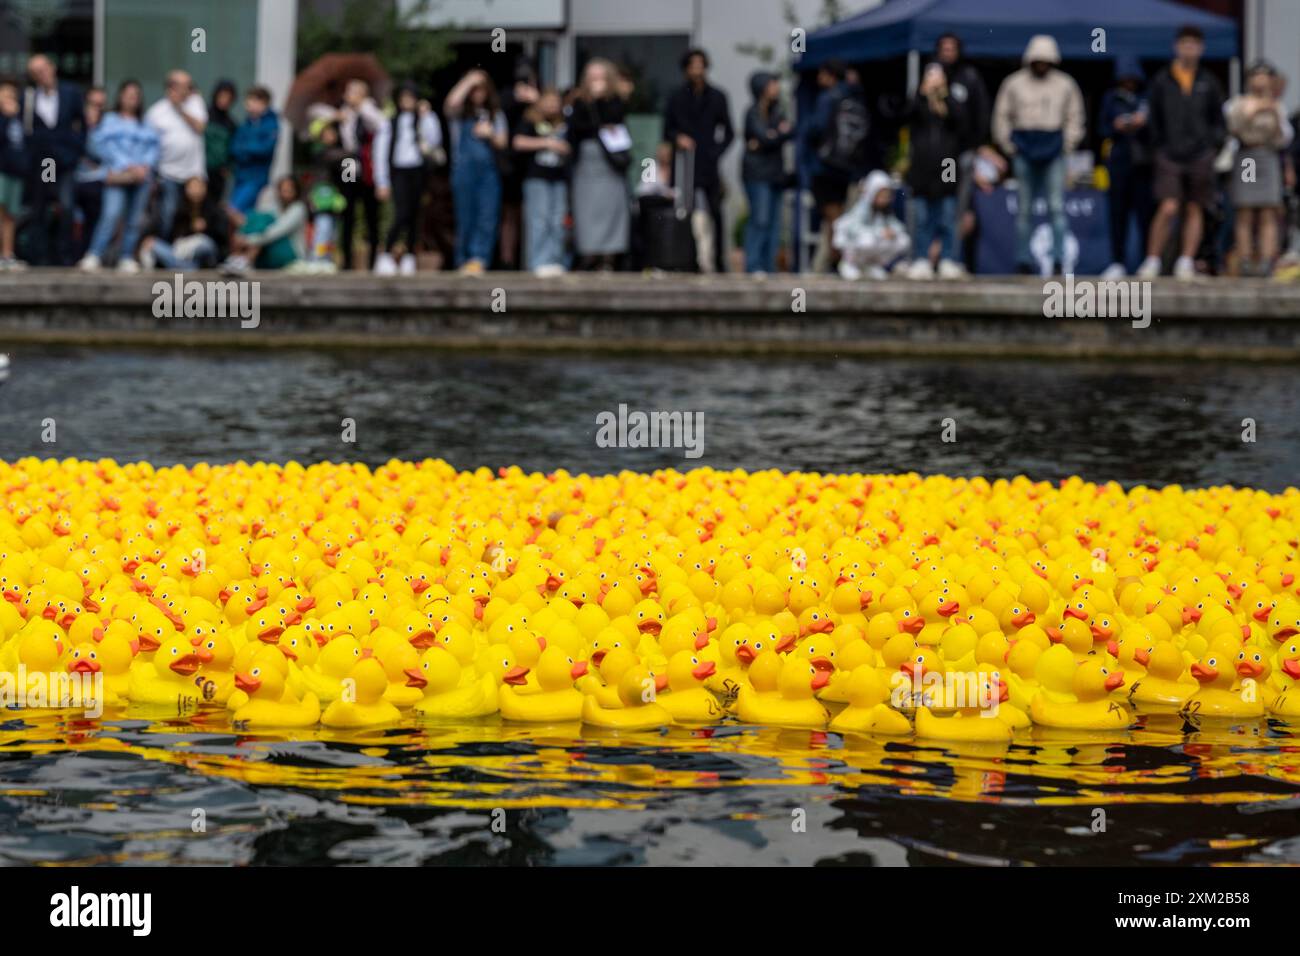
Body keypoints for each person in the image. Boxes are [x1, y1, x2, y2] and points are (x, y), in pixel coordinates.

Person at [1138, 25, 1227, 280]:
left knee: (1195, 207)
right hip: (1169, 153)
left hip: (1200, 154)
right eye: (1185, 44)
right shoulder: (1162, 80)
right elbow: (1152, 117)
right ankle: (1152, 260)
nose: (1189, 49)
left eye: (1194, 44)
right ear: (1176, 47)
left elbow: (1218, 120)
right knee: (1168, 206)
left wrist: (1212, 147)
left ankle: (1186, 260)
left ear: (1201, 48)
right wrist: (1158, 146)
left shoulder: (1208, 82)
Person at [992, 34, 1085, 276]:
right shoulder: (1014, 83)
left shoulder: (1065, 84)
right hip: (1024, 145)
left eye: (1046, 61)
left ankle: (1057, 260)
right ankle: (1023, 260)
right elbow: (1001, 116)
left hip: (1053, 146)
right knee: (1024, 208)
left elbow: (1075, 116)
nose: (1042, 64)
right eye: (1038, 60)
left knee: (1056, 206)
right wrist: (1009, 145)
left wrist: (1067, 145)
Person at [660, 49, 734, 273]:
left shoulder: (717, 96)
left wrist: (714, 152)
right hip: (684, 164)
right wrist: (677, 139)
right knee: (683, 210)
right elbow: (667, 130)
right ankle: (685, 258)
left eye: (700, 65)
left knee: (714, 213)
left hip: (707, 165)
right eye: (693, 65)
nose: (697, 70)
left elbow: (728, 131)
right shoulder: (676, 96)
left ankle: (716, 261)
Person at [77, 79, 159, 272]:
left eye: (135, 96)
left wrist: (145, 166)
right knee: (111, 215)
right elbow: (99, 145)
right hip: (117, 176)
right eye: (128, 95)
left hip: (141, 178)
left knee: (134, 219)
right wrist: (127, 165)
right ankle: (94, 254)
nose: (132, 99)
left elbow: (154, 148)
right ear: (120, 97)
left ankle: (127, 256)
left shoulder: (146, 123)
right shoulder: (109, 120)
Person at [1225, 62, 1292, 276]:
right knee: (1246, 208)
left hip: (1269, 156)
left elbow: (1285, 137)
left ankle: (1266, 261)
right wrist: (1254, 111)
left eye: (1265, 76)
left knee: (1268, 210)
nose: (1261, 80)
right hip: (1248, 157)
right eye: (1257, 76)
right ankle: (1244, 259)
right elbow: (1234, 128)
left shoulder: (1276, 105)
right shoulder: (1239, 102)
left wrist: (1272, 110)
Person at [903, 61, 967, 279]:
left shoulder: (952, 101)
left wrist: (944, 95)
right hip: (921, 167)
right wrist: (922, 94)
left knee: (947, 215)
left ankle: (948, 259)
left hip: (947, 164)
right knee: (921, 218)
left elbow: (961, 122)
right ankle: (921, 258)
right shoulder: (919, 102)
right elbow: (905, 116)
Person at [802, 60, 868, 272]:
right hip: (845, 167)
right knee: (835, 219)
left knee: (834, 220)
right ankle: (825, 265)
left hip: (825, 167)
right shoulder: (853, 97)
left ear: (830, 75)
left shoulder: (827, 98)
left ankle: (835, 263)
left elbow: (815, 128)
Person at [566, 58, 631, 271]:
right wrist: (591, 102)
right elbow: (578, 129)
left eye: (600, 77)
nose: (596, 82)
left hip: (609, 165)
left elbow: (614, 122)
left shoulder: (616, 101)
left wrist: (599, 103)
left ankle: (609, 258)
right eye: (592, 77)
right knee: (587, 212)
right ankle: (589, 256)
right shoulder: (578, 102)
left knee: (612, 210)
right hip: (586, 165)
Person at [934, 32, 991, 267]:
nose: (948, 53)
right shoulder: (931, 75)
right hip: (935, 156)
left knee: (956, 208)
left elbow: (976, 114)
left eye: (952, 48)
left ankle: (951, 258)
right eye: (944, 48)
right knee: (933, 207)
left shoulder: (968, 77)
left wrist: (975, 147)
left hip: (960, 154)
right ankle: (928, 258)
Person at [373, 83, 442, 276]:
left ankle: (410, 256)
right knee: (401, 213)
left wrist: (427, 115)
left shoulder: (422, 120)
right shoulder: (390, 122)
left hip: (417, 171)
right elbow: (380, 152)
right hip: (399, 171)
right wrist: (382, 181)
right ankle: (386, 252)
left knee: (414, 214)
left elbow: (434, 140)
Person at [22, 54, 85, 266]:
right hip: (43, 162)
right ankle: (41, 256)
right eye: (36, 73)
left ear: (52, 68)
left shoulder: (71, 93)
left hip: (65, 161)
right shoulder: (29, 98)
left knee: (66, 205)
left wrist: (74, 153)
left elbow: (81, 126)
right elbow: (26, 131)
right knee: (42, 207)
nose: (42, 75)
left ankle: (64, 253)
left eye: (43, 69)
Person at [444, 69, 508, 275]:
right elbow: (451, 103)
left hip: (488, 172)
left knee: (487, 215)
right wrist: (470, 78)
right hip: (463, 170)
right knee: (465, 215)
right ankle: (463, 258)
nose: (477, 94)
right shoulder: (459, 114)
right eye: (474, 90)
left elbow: (503, 141)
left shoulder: (495, 114)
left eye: (481, 90)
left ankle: (479, 258)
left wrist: (490, 134)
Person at [1098, 57, 1154, 278]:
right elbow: (1101, 128)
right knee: (1117, 214)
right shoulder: (1110, 99)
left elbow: (1158, 130)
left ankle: (1146, 260)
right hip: (1119, 162)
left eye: (1132, 79)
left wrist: (1143, 123)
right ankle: (1117, 261)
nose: (1128, 82)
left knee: (1145, 215)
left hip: (1143, 164)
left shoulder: (1146, 98)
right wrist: (1116, 126)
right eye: (1125, 79)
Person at [513, 87, 570, 276]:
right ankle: (538, 262)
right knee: (540, 220)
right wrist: (547, 143)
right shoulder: (530, 120)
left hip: (559, 178)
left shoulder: (565, 123)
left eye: (556, 101)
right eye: (549, 101)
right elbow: (518, 142)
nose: (552, 105)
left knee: (557, 220)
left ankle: (555, 261)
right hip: (537, 177)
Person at [145, 70, 207, 242]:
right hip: (167, 173)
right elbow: (149, 145)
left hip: (193, 173)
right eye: (185, 86)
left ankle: (185, 256)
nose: (190, 89)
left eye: (190, 85)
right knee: (168, 213)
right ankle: (161, 249)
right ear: (171, 88)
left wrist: (179, 109)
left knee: (195, 217)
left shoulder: (196, 102)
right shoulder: (156, 112)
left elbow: (200, 127)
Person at [741, 71, 791, 274]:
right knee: (760, 219)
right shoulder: (753, 112)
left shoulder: (777, 111)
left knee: (774, 223)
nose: (776, 87)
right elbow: (765, 137)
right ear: (762, 88)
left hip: (775, 174)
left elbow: (788, 132)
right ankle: (753, 266)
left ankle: (768, 268)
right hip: (756, 174)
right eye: (772, 84)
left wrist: (772, 136)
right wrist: (775, 134)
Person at [334, 79, 384, 270]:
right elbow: (348, 142)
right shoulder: (344, 112)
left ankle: (373, 262)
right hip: (349, 163)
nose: (349, 95)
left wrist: (361, 107)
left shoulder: (369, 109)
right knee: (348, 211)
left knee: (371, 213)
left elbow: (380, 124)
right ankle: (346, 261)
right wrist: (343, 117)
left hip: (368, 164)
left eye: (354, 91)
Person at [499, 59, 540, 270]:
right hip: (511, 165)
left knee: (533, 214)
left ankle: (532, 258)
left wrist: (536, 100)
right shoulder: (506, 96)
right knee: (510, 215)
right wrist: (518, 98)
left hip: (534, 166)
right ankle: (508, 261)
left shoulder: (540, 98)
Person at [832, 169, 910, 280]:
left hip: (873, 245)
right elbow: (854, 229)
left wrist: (893, 232)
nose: (884, 199)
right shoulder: (862, 208)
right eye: (881, 195)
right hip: (852, 246)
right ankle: (849, 264)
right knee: (867, 240)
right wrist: (880, 233)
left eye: (886, 196)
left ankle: (872, 265)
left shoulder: (885, 211)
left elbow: (896, 226)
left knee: (903, 240)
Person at [138, 175, 228, 270]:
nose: (195, 191)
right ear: (186, 189)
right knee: (153, 244)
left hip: (207, 253)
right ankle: (186, 266)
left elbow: (221, 240)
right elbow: (173, 238)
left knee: (203, 242)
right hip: (183, 252)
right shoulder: (179, 209)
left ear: (205, 188)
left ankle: (180, 263)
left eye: (199, 187)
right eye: (192, 187)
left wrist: (207, 227)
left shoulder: (214, 209)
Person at [222, 175, 308, 273]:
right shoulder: (275, 206)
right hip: (269, 251)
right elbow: (254, 220)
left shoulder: (298, 208)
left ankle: (243, 259)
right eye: (283, 190)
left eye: (289, 190)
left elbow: (277, 232)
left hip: (292, 255)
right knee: (257, 217)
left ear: (296, 191)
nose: (285, 194)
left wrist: (248, 240)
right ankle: (239, 259)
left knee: (263, 221)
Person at [228, 86, 279, 214]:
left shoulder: (271, 124)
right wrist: (248, 150)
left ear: (263, 103)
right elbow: (234, 148)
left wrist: (245, 149)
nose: (248, 104)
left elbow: (265, 149)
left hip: (256, 177)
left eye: (252, 100)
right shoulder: (246, 124)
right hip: (240, 175)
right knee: (242, 213)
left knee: (235, 210)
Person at [307, 120, 348, 266]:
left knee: (333, 232)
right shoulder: (319, 153)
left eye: (332, 133)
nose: (329, 136)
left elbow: (349, 178)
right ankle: (317, 257)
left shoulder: (344, 155)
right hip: (323, 196)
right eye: (326, 134)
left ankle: (326, 258)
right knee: (322, 229)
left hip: (336, 197)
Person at [73, 85, 107, 260]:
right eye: (92, 104)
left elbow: (103, 155)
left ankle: (90, 255)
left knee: (94, 220)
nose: (95, 109)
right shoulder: (72, 125)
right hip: (73, 180)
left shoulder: (106, 128)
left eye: (100, 105)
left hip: (98, 181)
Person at [0, 78, 28, 270]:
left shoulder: (22, 119)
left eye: (13, 95)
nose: (10, 99)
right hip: (1, 171)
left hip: (16, 173)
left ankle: (7, 255)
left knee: (10, 216)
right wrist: (5, 117)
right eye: (6, 95)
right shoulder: (4, 119)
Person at [205, 80, 237, 203]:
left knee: (215, 204)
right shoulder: (204, 116)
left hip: (218, 173)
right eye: (222, 96)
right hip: (201, 170)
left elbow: (232, 148)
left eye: (228, 98)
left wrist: (228, 167)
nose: (224, 100)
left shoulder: (231, 123)